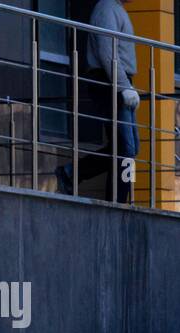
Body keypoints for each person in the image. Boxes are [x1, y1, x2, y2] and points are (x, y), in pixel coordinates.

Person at [57, 0, 139, 202]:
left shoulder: (116, 9)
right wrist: (123, 86)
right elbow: (106, 51)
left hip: (118, 82)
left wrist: (126, 85)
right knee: (125, 148)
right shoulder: (106, 8)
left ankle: (71, 173)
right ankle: (117, 202)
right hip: (110, 82)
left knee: (130, 148)